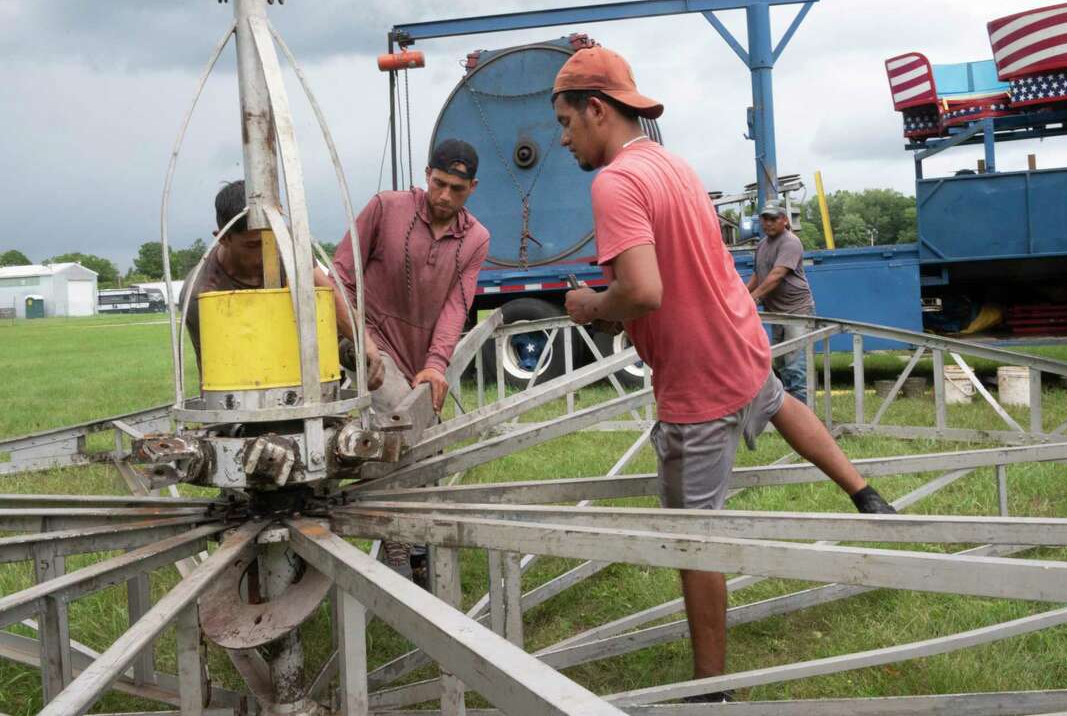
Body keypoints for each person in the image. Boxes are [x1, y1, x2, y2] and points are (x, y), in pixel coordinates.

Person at [554, 46, 895, 703]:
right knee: (774, 401)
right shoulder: (673, 165)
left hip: (695, 381)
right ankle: (862, 491)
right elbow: (679, 268)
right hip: (739, 337)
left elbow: (645, 290)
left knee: (692, 535)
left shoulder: (614, 183)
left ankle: (714, 688)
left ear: (597, 111)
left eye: (567, 123)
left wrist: (593, 305)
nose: (564, 141)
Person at [333, 138, 490, 580]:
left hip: (419, 354)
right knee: (402, 429)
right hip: (370, 342)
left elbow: (456, 307)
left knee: (430, 442)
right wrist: (359, 336)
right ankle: (399, 548)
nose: (444, 196)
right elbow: (340, 275)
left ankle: (415, 541)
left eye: (456, 189)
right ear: (426, 175)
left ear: (472, 188)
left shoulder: (476, 239)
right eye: (438, 184)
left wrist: (437, 364)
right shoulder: (386, 208)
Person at [182, 180, 384, 389]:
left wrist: (364, 343)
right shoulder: (203, 294)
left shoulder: (286, 244)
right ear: (223, 239)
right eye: (253, 245)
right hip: (244, 384)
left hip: (295, 362)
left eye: (273, 240)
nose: (267, 252)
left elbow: (329, 293)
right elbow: (222, 372)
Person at [746, 201, 815, 403]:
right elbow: (758, 276)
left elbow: (777, 275)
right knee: (781, 363)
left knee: (796, 364)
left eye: (774, 219)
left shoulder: (790, 242)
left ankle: (804, 413)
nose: (768, 223)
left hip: (797, 310)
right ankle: (789, 411)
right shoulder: (762, 245)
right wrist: (740, 296)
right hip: (777, 311)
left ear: (784, 220)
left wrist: (753, 298)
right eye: (765, 219)